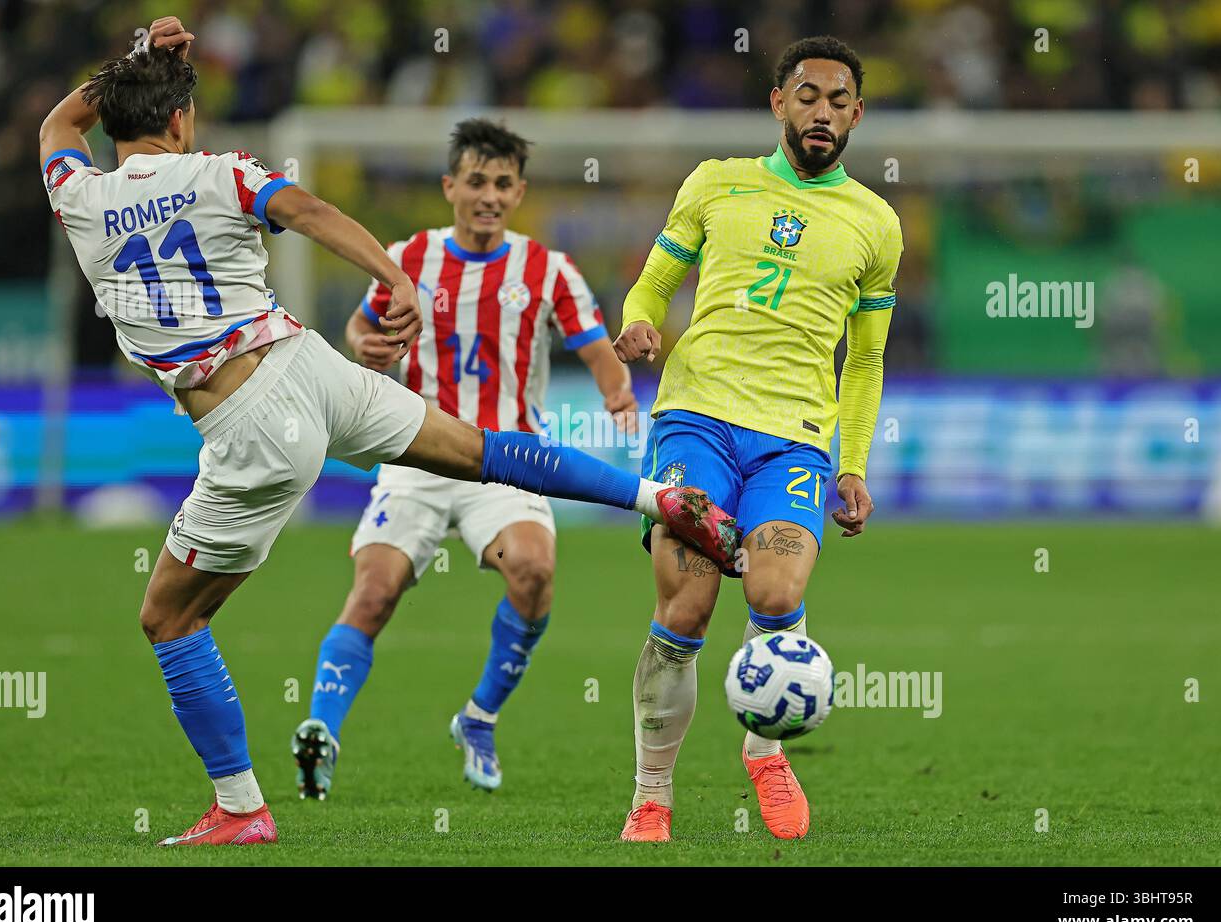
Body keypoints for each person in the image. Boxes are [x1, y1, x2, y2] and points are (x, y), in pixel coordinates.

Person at [38, 16, 734, 847]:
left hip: (248, 421)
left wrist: (135, 62)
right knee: (478, 450)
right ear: (182, 119)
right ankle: (657, 497)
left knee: (169, 619)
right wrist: (394, 277)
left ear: (116, 120)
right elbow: (308, 209)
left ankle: (240, 809)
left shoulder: (78, 195)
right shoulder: (222, 171)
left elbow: (58, 124)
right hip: (308, 364)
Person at [292, 118, 638, 797]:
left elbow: (596, 347)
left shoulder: (548, 270)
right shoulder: (409, 258)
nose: (489, 196)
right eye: (477, 181)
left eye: (503, 184)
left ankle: (478, 716)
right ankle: (321, 732)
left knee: (532, 571)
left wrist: (617, 391)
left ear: (519, 193)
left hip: (506, 465)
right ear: (450, 186)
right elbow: (362, 322)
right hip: (418, 456)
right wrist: (362, 341)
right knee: (374, 592)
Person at [612, 36, 903, 842]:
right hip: (695, 419)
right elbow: (654, 283)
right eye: (807, 96)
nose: (822, 112)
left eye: (838, 100)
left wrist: (853, 465)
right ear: (779, 103)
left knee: (775, 596)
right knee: (688, 605)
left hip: (795, 441)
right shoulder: (716, 182)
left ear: (857, 114)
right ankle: (651, 796)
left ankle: (765, 752)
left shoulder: (877, 225)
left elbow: (866, 360)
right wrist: (638, 321)